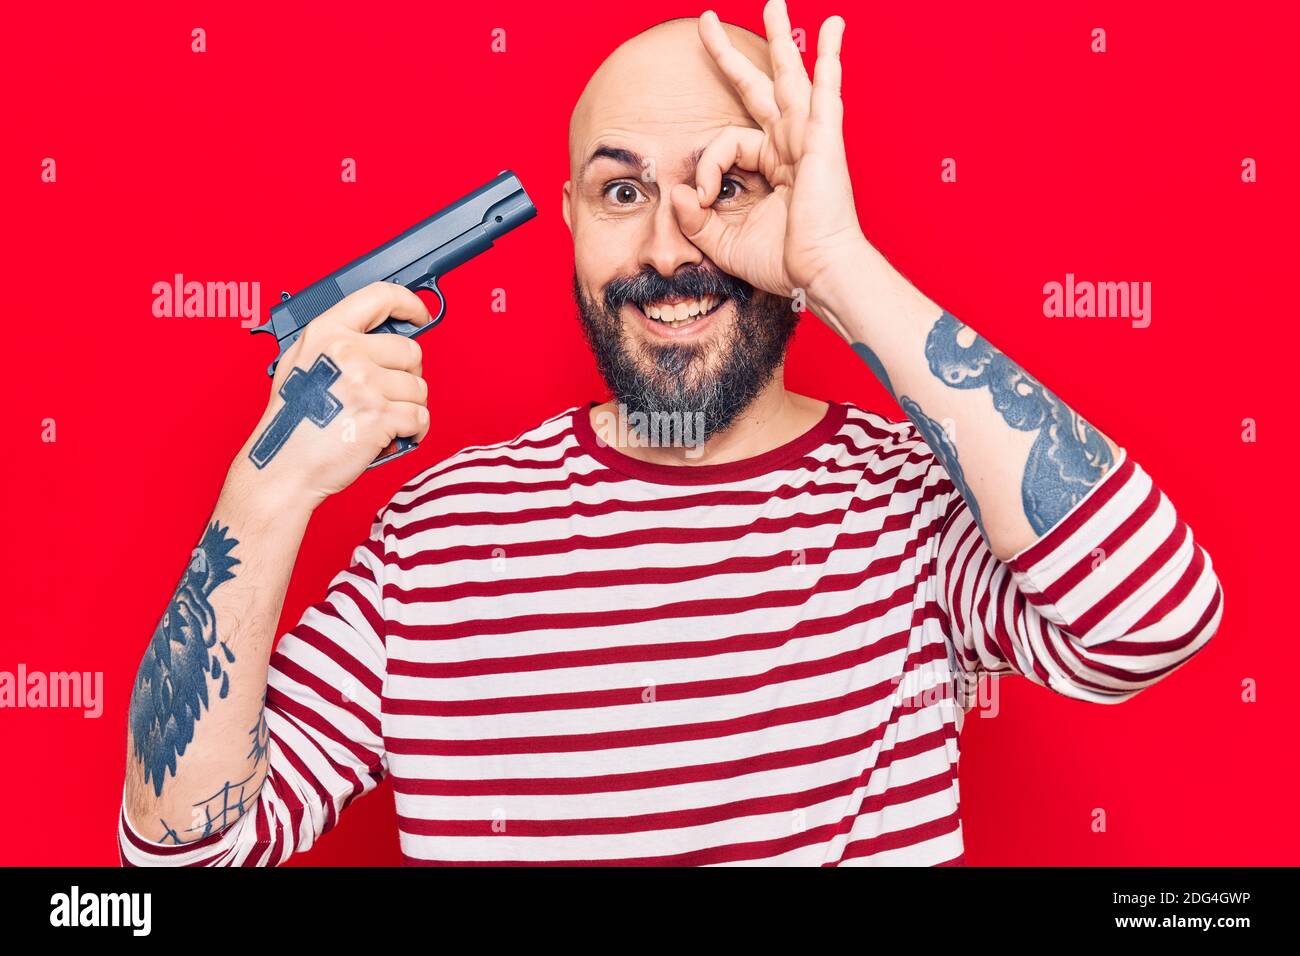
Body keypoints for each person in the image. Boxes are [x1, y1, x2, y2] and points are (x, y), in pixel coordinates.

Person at [119, 3, 1222, 866]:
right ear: (567, 219)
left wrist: (842, 270)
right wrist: (263, 491)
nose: (669, 242)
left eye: (728, 184)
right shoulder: (437, 535)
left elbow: (1150, 621)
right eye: (619, 191)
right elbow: (183, 849)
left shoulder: (906, 507)